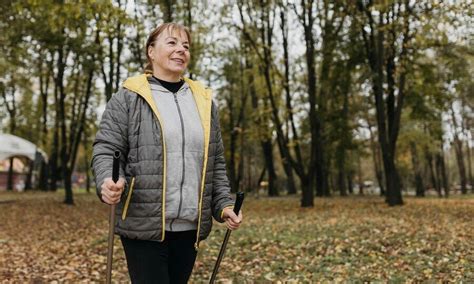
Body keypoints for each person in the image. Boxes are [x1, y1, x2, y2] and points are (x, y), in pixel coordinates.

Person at [91, 22, 243, 283]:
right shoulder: (128, 97)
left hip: (189, 227)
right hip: (144, 224)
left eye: (186, 46)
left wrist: (224, 205)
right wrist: (107, 179)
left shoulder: (204, 103)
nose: (180, 50)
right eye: (172, 43)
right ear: (151, 51)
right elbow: (107, 148)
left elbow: (214, 162)